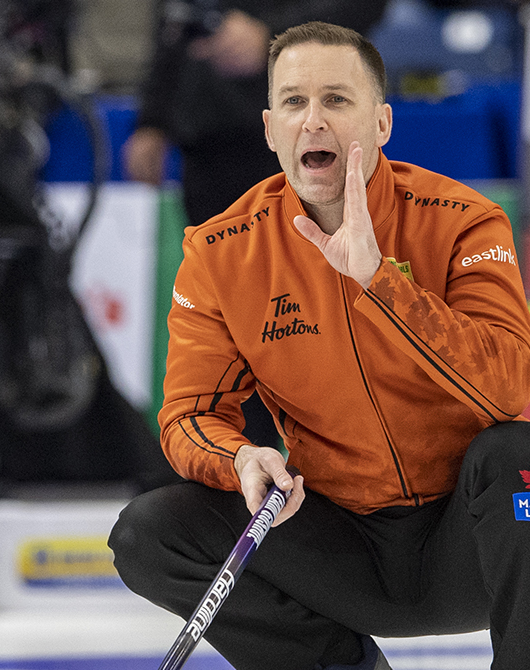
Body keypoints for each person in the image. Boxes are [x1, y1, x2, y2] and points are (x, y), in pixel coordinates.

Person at [108, 21, 530, 670]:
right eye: (294, 103)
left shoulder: (463, 221)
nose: (314, 121)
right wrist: (239, 458)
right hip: (339, 548)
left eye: (337, 99)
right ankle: (336, 668)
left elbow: (507, 384)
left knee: (528, 455)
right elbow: (186, 416)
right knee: (148, 532)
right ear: (269, 128)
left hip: (469, 549)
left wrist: (379, 281)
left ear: (381, 121)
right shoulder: (220, 252)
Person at [124, 1, 390, 448]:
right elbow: (178, 18)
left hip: (307, 143)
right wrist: (153, 117)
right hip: (209, 149)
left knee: (323, 304)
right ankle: (243, 462)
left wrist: (274, 34)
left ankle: (350, 462)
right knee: (230, 315)